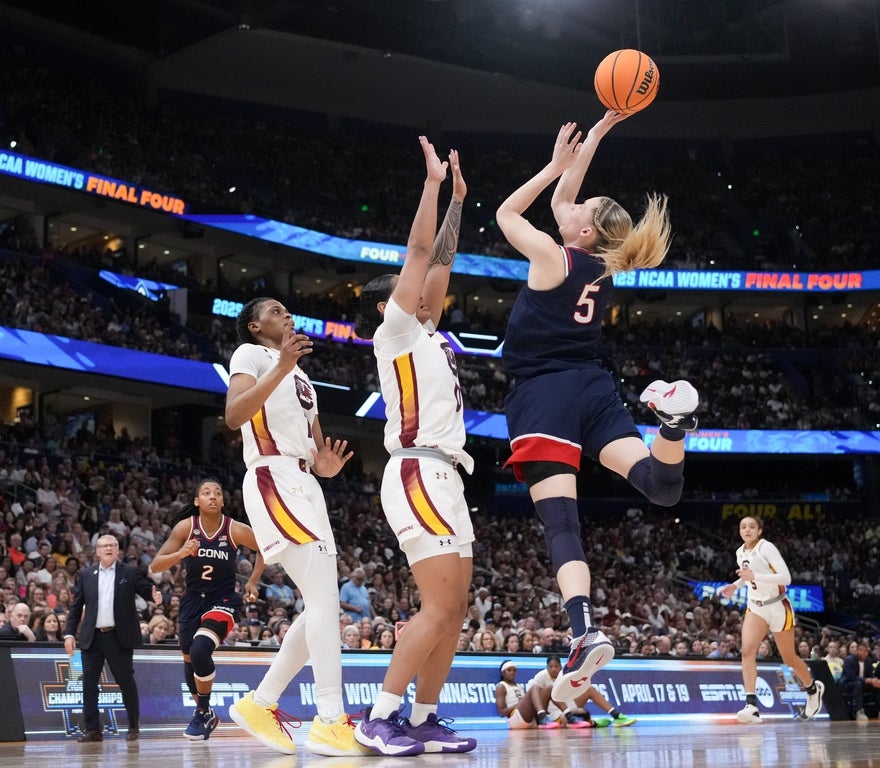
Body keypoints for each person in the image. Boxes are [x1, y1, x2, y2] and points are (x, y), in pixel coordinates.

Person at [494, 112, 700, 702]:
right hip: (593, 386)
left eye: (583, 210)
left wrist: (553, 166)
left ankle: (583, 629)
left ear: (584, 231)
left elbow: (508, 213)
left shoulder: (552, 257)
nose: (573, 206)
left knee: (562, 521)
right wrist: (602, 131)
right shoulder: (603, 262)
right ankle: (674, 422)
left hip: (543, 393)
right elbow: (566, 201)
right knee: (661, 486)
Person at [351, 138, 476, 756]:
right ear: (390, 300)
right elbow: (423, 251)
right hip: (416, 472)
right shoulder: (395, 330)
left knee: (456, 610)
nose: (429, 283)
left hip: (448, 477)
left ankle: (425, 717)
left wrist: (457, 200)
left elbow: (443, 254)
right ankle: (380, 716)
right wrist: (430, 185)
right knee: (440, 601)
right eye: (415, 282)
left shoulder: (429, 331)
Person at [223, 295, 364, 757]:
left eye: (287, 311)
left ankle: (261, 703)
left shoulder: (303, 377)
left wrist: (326, 465)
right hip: (271, 475)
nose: (287, 316)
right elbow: (234, 416)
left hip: (305, 483)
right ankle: (329, 718)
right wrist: (280, 365)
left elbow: (316, 449)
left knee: (322, 605)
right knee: (323, 603)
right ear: (254, 326)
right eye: (276, 311)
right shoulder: (251, 356)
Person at [149, 478, 264, 741]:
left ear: (223, 501)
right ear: (196, 501)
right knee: (190, 658)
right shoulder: (185, 527)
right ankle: (205, 712)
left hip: (222, 600)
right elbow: (156, 565)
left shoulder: (235, 529)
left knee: (201, 648)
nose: (213, 497)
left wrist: (254, 581)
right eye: (206, 493)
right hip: (191, 601)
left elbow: (264, 550)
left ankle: (202, 711)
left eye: (218, 493)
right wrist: (181, 554)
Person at [719, 516, 824, 723]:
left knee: (789, 659)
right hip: (756, 607)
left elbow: (786, 578)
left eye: (751, 526)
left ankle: (813, 689)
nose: (747, 529)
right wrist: (736, 585)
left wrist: (753, 577)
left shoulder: (767, 548)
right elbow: (748, 575)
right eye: (743, 526)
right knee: (747, 650)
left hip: (778, 606)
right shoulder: (740, 552)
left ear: (759, 531)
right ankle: (751, 706)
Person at [64, 534, 159, 743]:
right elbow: (76, 606)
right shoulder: (86, 574)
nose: (108, 548)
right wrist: (69, 633)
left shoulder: (130, 572)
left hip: (118, 636)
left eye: (112, 545)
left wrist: (154, 596)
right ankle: (92, 730)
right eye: (104, 545)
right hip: (93, 637)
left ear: (118, 551)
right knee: (88, 684)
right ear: (97, 551)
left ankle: (133, 726)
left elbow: (146, 589)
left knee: (125, 681)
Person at [840, 642, 879, 722]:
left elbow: (870, 674)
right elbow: (851, 676)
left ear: (867, 653)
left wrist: (875, 680)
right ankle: (859, 711)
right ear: (857, 651)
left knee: (877, 685)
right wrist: (867, 680)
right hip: (848, 683)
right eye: (861, 650)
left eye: (865, 651)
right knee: (857, 684)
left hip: (862, 683)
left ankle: (878, 710)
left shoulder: (868, 661)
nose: (863, 652)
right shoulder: (849, 660)